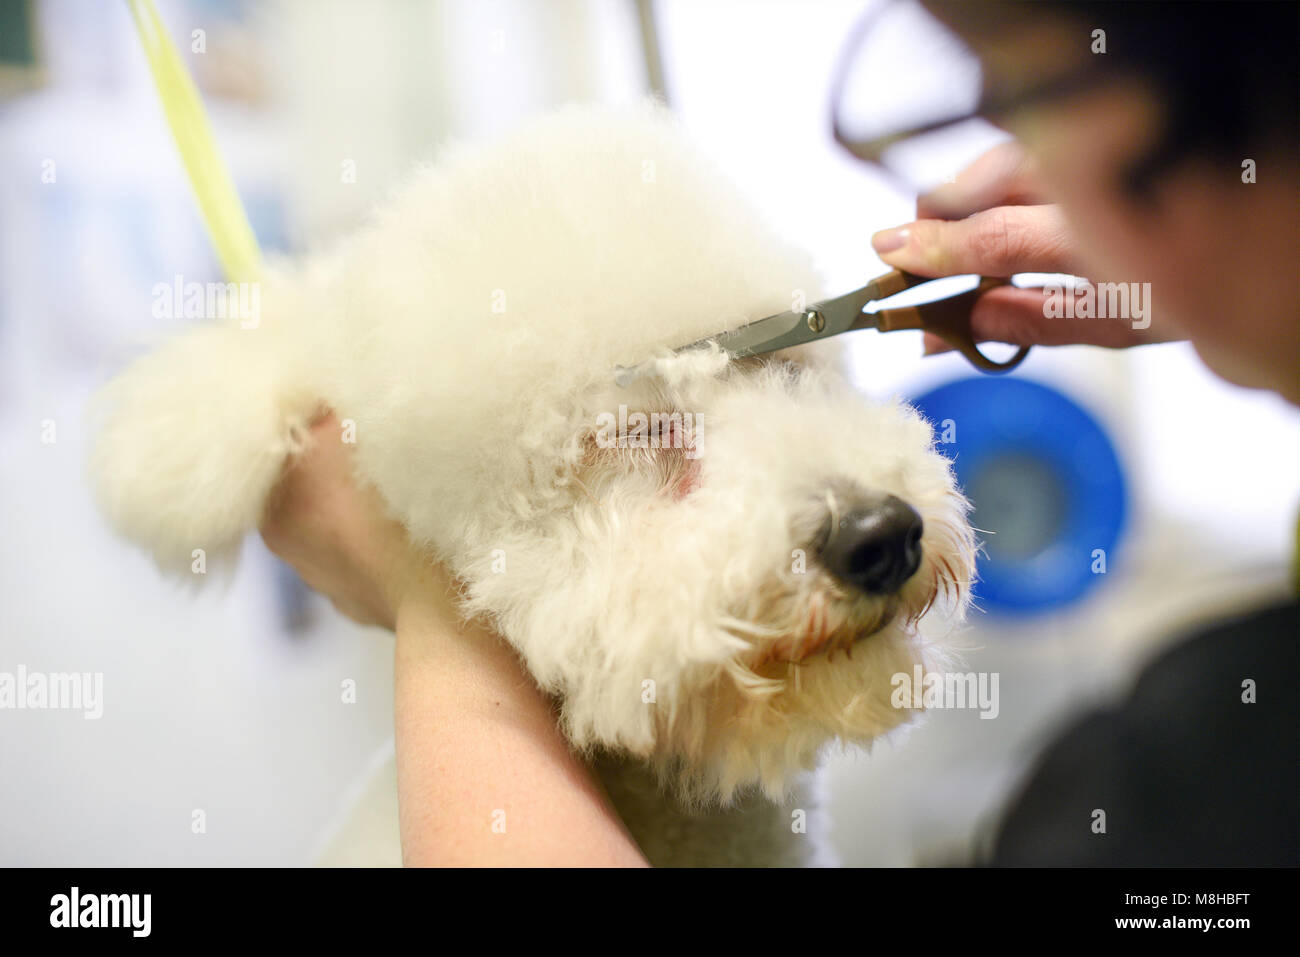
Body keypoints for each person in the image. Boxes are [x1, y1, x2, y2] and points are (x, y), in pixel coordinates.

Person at [261, 0, 1298, 866]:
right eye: (645, 438)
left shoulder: (1195, 794)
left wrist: (430, 605)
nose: (872, 519)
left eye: (790, 370)